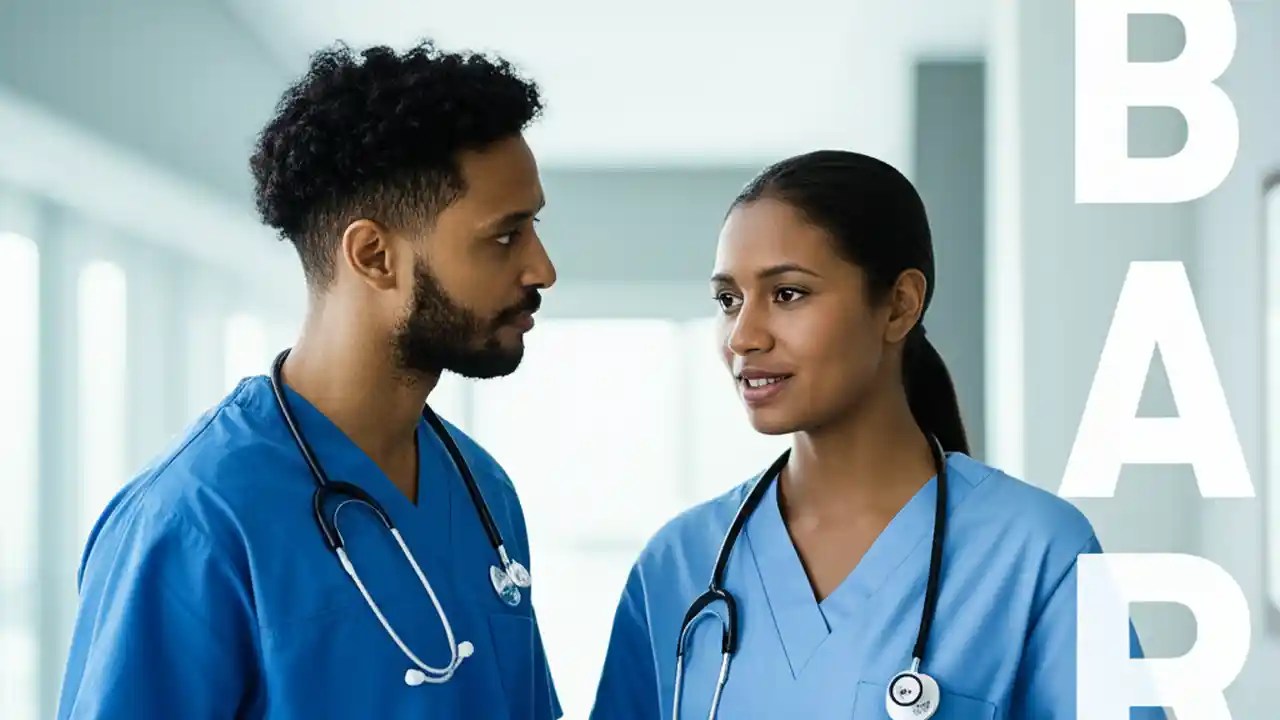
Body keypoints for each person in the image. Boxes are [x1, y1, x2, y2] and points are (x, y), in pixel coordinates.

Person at [57, 40, 561, 719]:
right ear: (374, 255)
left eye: (535, 227)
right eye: (506, 236)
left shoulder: (484, 491)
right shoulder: (192, 521)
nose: (542, 269)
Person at [588, 150, 1166, 719]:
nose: (743, 336)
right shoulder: (679, 565)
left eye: (787, 293)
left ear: (899, 305)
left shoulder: (1036, 550)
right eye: (728, 300)